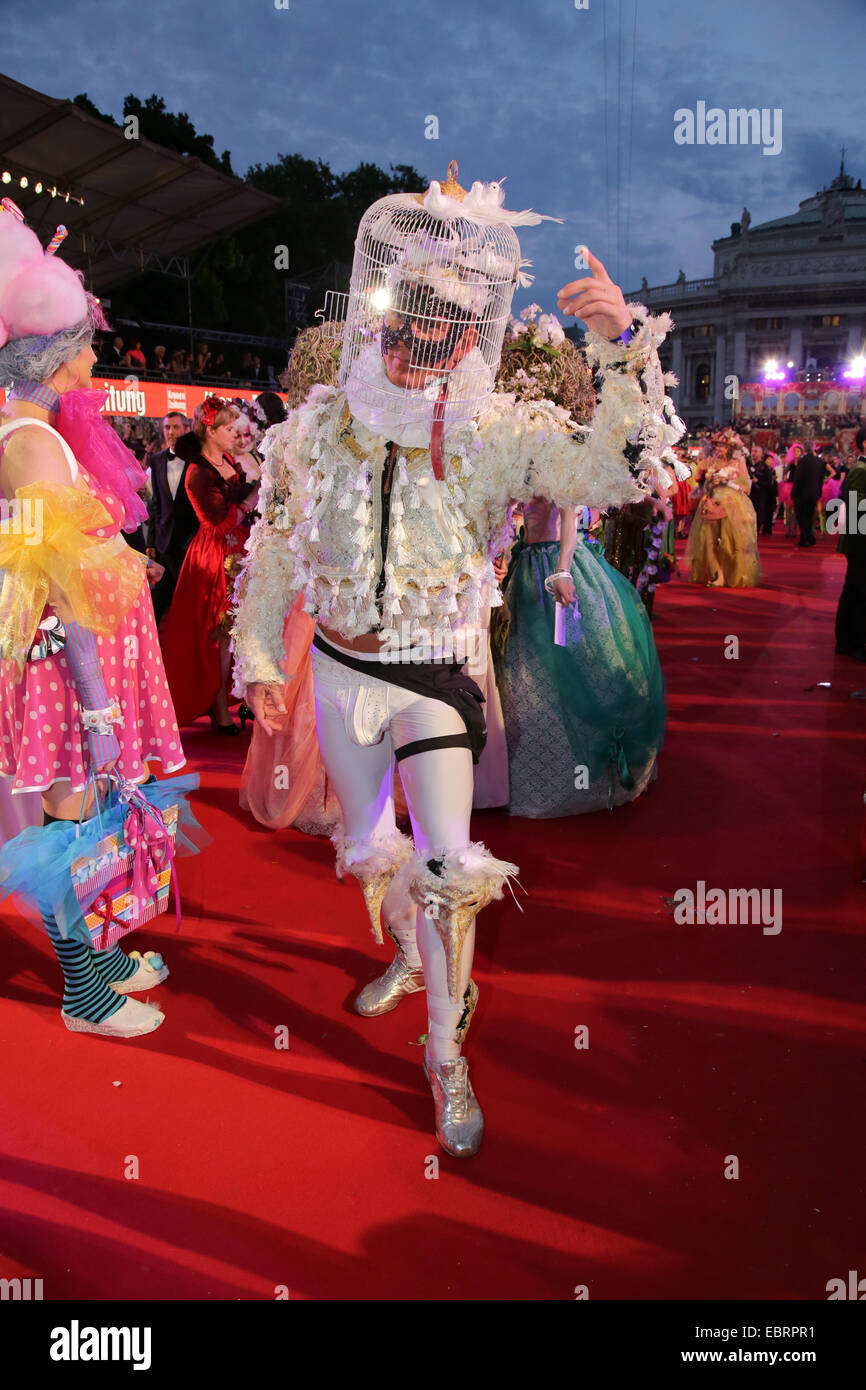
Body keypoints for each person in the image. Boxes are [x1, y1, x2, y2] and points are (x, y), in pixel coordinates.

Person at [230, 164, 683, 1156]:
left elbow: (607, 471)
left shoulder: (492, 432)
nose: (411, 343)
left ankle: (445, 1051)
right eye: (401, 321)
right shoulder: (320, 428)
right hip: (342, 671)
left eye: (436, 327)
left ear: (461, 338)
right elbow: (274, 542)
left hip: (435, 673)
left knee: (444, 867)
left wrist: (615, 349)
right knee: (367, 849)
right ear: (381, 321)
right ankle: (411, 952)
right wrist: (262, 649)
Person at [0, 205, 195, 1038]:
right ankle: (82, 991)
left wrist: (125, 562)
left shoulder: (34, 432)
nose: (95, 349)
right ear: (52, 351)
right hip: (63, 671)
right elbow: (49, 584)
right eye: (85, 338)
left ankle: (99, 952)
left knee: (83, 818)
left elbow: (47, 561)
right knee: (68, 825)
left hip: (69, 661)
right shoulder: (30, 443)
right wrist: (96, 700)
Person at [496, 500, 665, 816]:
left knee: (573, 659)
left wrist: (562, 570)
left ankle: (594, 774)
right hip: (526, 568)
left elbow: (568, 515)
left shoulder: (556, 458)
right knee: (527, 670)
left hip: (557, 567)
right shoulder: (517, 458)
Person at [160, 398, 257, 733]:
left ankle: (232, 696)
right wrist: (249, 502)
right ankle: (217, 704)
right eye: (228, 428)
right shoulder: (197, 472)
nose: (235, 433)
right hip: (213, 559)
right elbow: (216, 524)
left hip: (238, 552)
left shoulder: (229, 459)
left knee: (237, 632)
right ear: (210, 430)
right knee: (217, 633)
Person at [684, 428, 761, 587]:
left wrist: (726, 482)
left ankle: (731, 572)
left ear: (730, 448)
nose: (719, 449)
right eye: (718, 445)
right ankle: (717, 574)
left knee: (729, 542)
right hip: (711, 502)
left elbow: (746, 487)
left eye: (723, 446)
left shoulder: (737, 463)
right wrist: (708, 483)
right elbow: (701, 481)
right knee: (709, 540)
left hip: (731, 505)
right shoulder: (711, 462)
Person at [145, 411, 199, 624]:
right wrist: (151, 542)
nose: (171, 432)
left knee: (187, 603)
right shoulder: (157, 460)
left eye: (176, 427)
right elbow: (155, 503)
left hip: (190, 543)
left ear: (186, 430)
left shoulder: (197, 459)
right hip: (164, 542)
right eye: (168, 427)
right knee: (158, 603)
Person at [835, 426, 866, 661]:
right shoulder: (860, 470)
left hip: (859, 541)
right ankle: (852, 642)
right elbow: (856, 510)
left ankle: (848, 641)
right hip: (859, 543)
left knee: (854, 592)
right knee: (857, 593)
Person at [791, 444, 825, 547]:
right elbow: (821, 479)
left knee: (801, 516)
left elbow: (798, 478)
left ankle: (808, 538)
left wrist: (793, 492)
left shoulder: (802, 461)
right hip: (814, 493)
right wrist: (819, 491)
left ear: (804, 450)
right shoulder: (820, 462)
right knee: (809, 517)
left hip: (802, 494)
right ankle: (805, 538)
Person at [749, 446, 778, 537]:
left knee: (758, 517)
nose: (754, 453)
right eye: (753, 451)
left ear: (761, 454)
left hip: (760, 496)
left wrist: (758, 482)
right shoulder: (747, 465)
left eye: (756, 451)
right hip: (748, 495)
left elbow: (769, 484)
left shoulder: (764, 468)